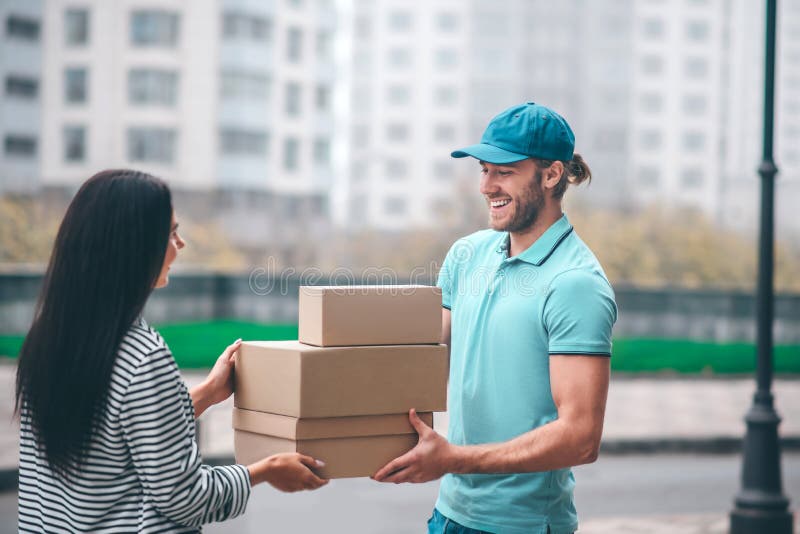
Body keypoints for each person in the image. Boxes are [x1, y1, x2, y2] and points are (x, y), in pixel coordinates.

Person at [15, 170, 327, 533]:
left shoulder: (48, 337)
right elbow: (183, 497)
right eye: (171, 233)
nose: (180, 245)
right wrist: (266, 471)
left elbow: (111, 435)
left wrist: (209, 393)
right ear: (135, 246)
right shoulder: (144, 357)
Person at [373, 102, 617, 534]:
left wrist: (454, 460)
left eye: (503, 171)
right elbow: (425, 354)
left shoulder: (576, 283)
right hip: (448, 514)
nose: (487, 186)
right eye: (484, 170)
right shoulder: (467, 254)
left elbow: (580, 437)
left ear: (552, 175)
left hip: (521, 525)